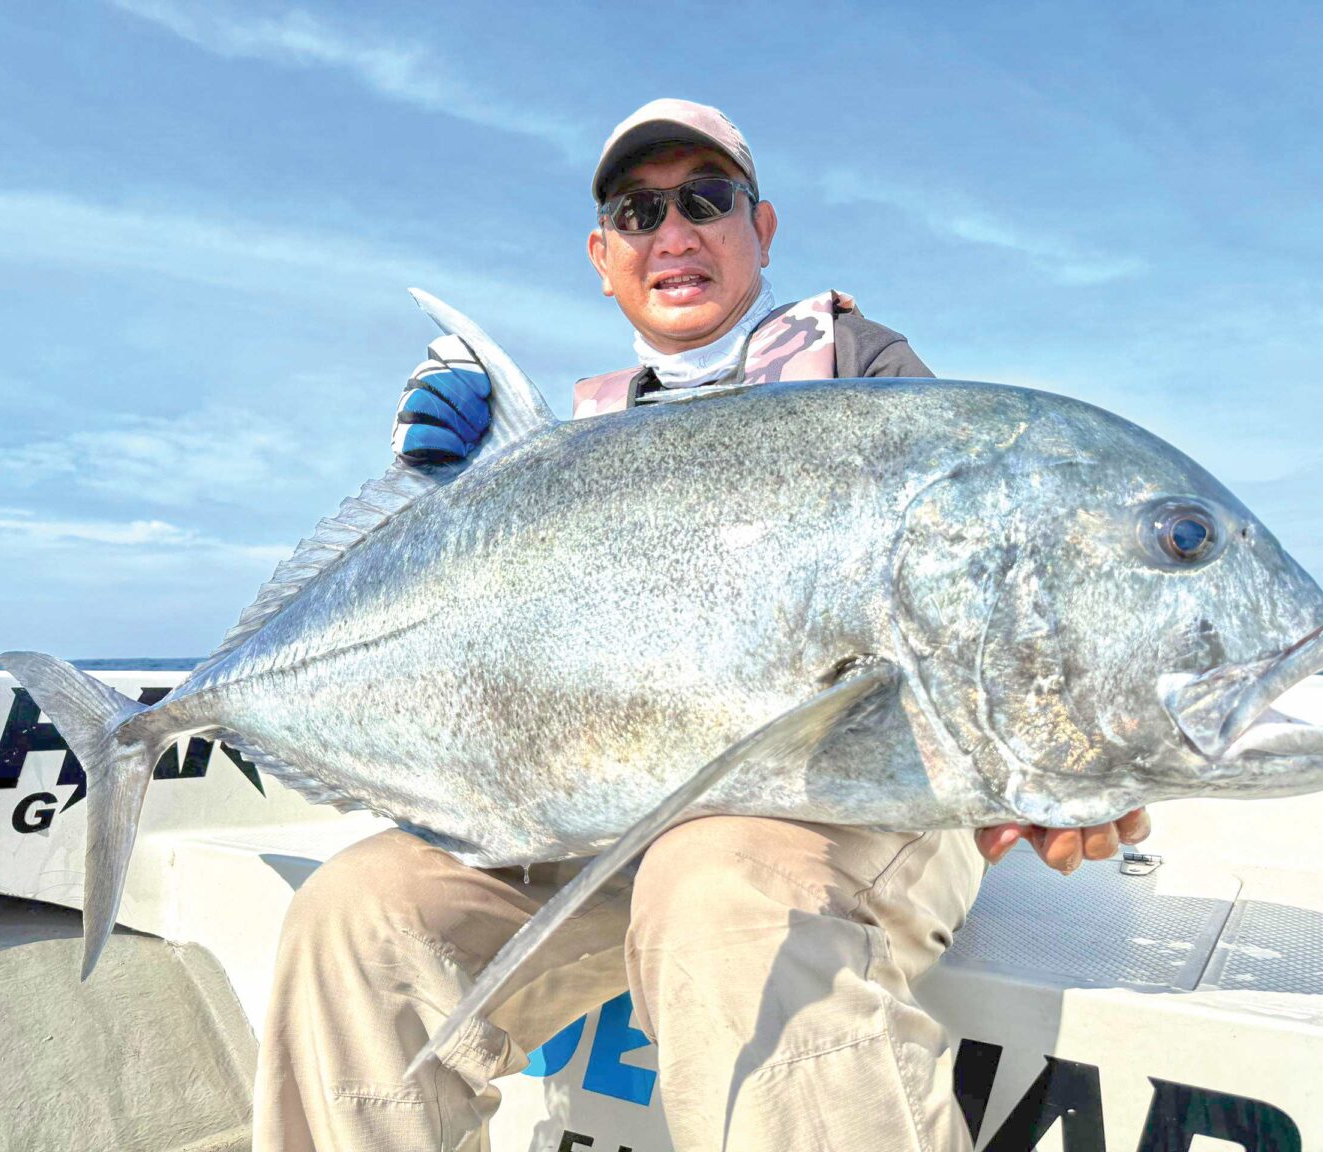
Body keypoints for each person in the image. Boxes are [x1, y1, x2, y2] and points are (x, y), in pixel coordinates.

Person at [255, 99, 1150, 1152]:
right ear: (603, 256)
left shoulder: (870, 383)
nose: (672, 233)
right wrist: (441, 507)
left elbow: (988, 594)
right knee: (354, 915)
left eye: (705, 199)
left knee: (723, 889)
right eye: (639, 211)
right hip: (603, 816)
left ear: (760, 230)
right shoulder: (576, 443)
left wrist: (1078, 750)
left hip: (842, 804)